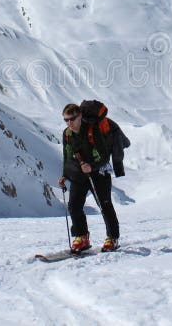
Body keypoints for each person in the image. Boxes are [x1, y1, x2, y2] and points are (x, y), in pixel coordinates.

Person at [57, 103, 120, 252]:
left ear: (80, 116)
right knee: (74, 205)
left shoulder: (93, 130)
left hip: (99, 173)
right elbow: (67, 156)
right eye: (66, 120)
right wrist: (65, 175)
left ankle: (112, 238)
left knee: (104, 205)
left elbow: (104, 156)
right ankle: (82, 237)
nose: (69, 123)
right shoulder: (67, 134)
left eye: (72, 119)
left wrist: (92, 167)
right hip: (79, 173)